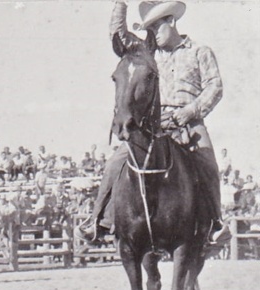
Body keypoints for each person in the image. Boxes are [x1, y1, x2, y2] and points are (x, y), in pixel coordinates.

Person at [76, 0, 228, 249]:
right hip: (152, 125)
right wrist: (120, 5)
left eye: (157, 26)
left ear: (172, 21)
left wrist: (190, 112)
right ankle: (97, 220)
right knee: (115, 162)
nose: (153, 33)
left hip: (189, 122)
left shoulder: (200, 51)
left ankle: (215, 223)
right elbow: (119, 36)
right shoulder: (148, 53)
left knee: (207, 162)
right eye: (150, 28)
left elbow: (215, 87)